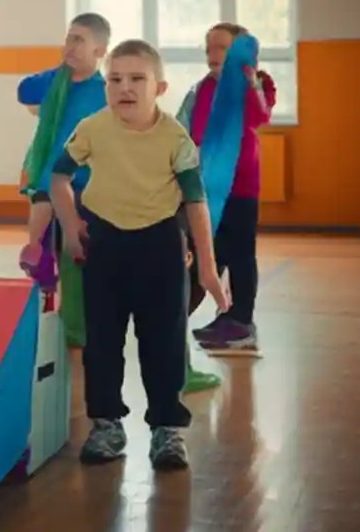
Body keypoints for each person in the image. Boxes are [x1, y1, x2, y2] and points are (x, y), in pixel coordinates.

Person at [49, 39, 230, 471]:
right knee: (103, 342)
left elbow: (196, 202)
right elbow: (58, 177)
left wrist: (206, 267)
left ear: (160, 87)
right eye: (114, 79)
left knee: (163, 342)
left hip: (160, 246)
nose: (124, 88)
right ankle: (106, 425)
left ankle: (167, 430)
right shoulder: (93, 127)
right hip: (106, 244)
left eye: (136, 79)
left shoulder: (174, 136)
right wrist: (72, 226)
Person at [177, 23, 276, 352]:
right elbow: (186, 129)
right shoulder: (202, 88)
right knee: (208, 250)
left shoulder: (257, 84)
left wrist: (250, 82)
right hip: (208, 187)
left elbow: (259, 116)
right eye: (208, 48)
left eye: (221, 48)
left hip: (242, 186)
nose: (212, 55)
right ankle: (213, 314)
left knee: (241, 255)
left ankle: (241, 320)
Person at [15, 13, 110, 346]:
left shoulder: (104, 91)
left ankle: (81, 323)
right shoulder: (58, 83)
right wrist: (57, 75)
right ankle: (36, 252)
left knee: (79, 257)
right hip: (52, 176)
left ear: (100, 50)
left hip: (86, 183)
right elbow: (24, 90)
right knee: (43, 209)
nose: (70, 46)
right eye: (69, 38)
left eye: (79, 40)